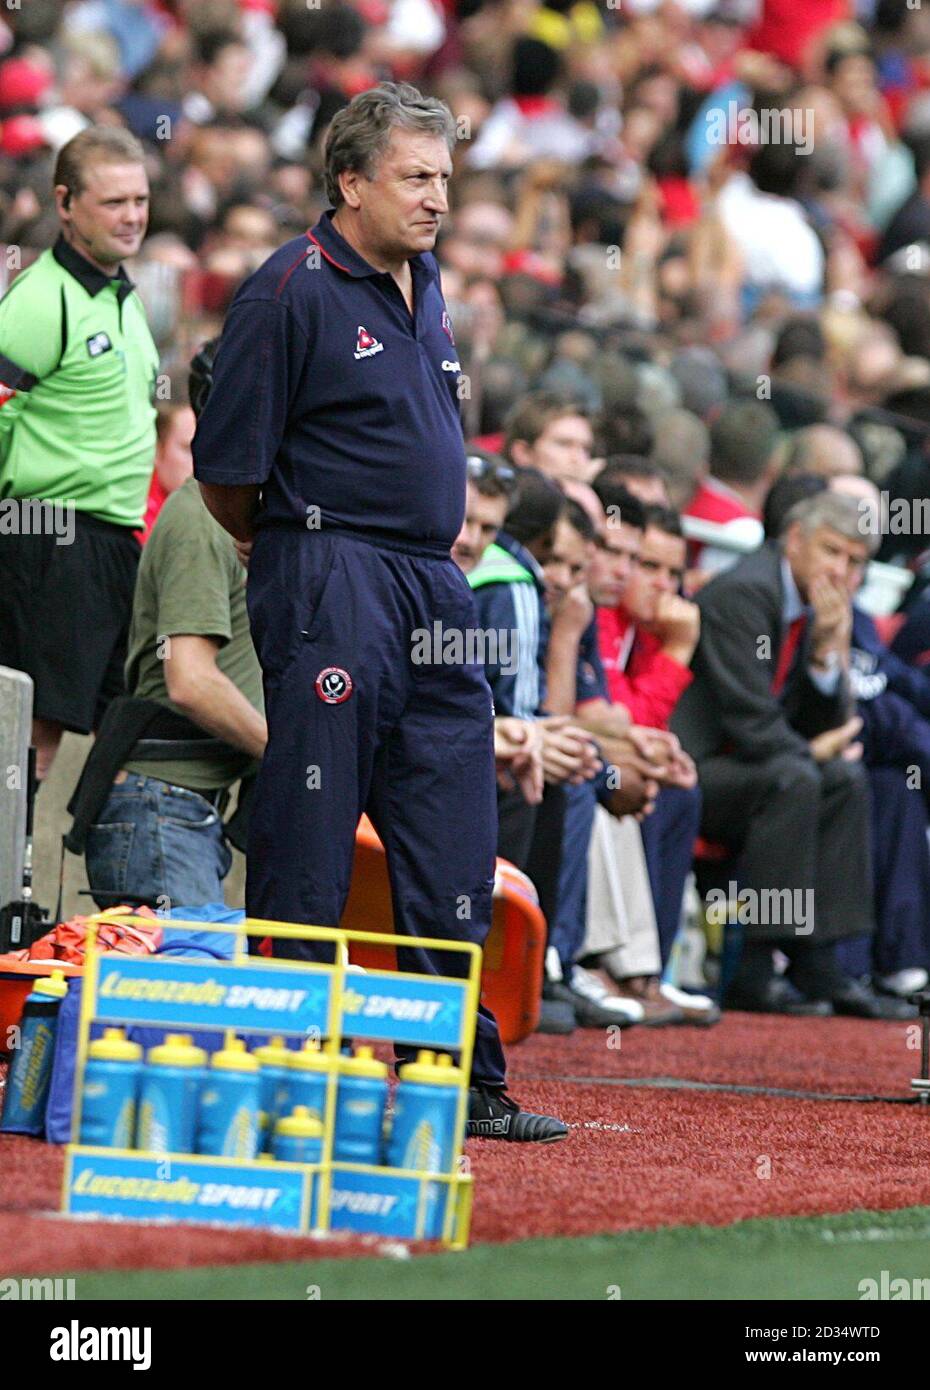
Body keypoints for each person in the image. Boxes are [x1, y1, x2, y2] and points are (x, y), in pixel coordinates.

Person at [192, 82, 567, 1142]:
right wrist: (306, 555)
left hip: (431, 583)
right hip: (330, 571)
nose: (437, 197)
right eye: (416, 176)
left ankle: (461, 1080)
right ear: (350, 182)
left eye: (445, 177)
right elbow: (227, 476)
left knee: (455, 831)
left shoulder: (428, 279)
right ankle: (289, 1070)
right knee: (310, 831)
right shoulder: (288, 292)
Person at [672, 491, 913, 1020]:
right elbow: (750, 720)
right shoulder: (745, 592)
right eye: (832, 552)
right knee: (797, 777)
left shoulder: (810, 605)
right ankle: (755, 966)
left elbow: (829, 729)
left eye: (855, 562)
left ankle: (820, 959)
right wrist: (808, 750)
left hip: (757, 765)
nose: (843, 572)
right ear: (796, 539)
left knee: (845, 778)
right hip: (696, 767)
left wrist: (828, 650)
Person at [0, 125, 158, 781]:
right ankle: (11, 873)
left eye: (141, 200)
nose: (133, 217)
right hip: (51, 534)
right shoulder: (39, 301)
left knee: (87, 730)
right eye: (113, 202)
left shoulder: (123, 297)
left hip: (113, 540)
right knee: (32, 730)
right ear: (65, 205)